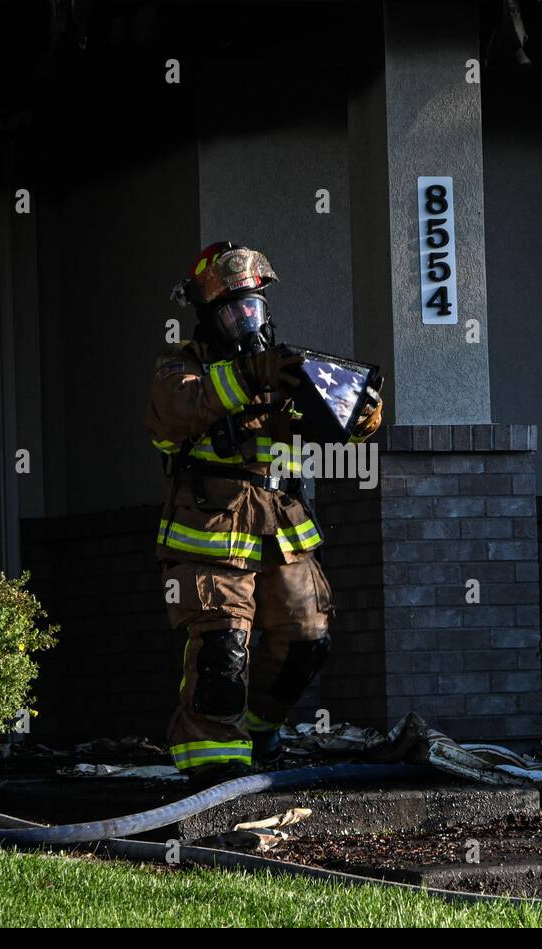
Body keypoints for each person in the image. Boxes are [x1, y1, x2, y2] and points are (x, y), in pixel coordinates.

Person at [145, 242, 382, 788]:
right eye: (233, 312)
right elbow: (176, 411)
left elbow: (325, 426)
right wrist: (252, 375)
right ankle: (213, 765)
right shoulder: (181, 366)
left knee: (307, 641)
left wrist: (359, 408)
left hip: (281, 525)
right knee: (223, 651)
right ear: (208, 318)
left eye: (253, 308)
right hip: (211, 530)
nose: (246, 320)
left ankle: (259, 731)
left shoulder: (281, 369)